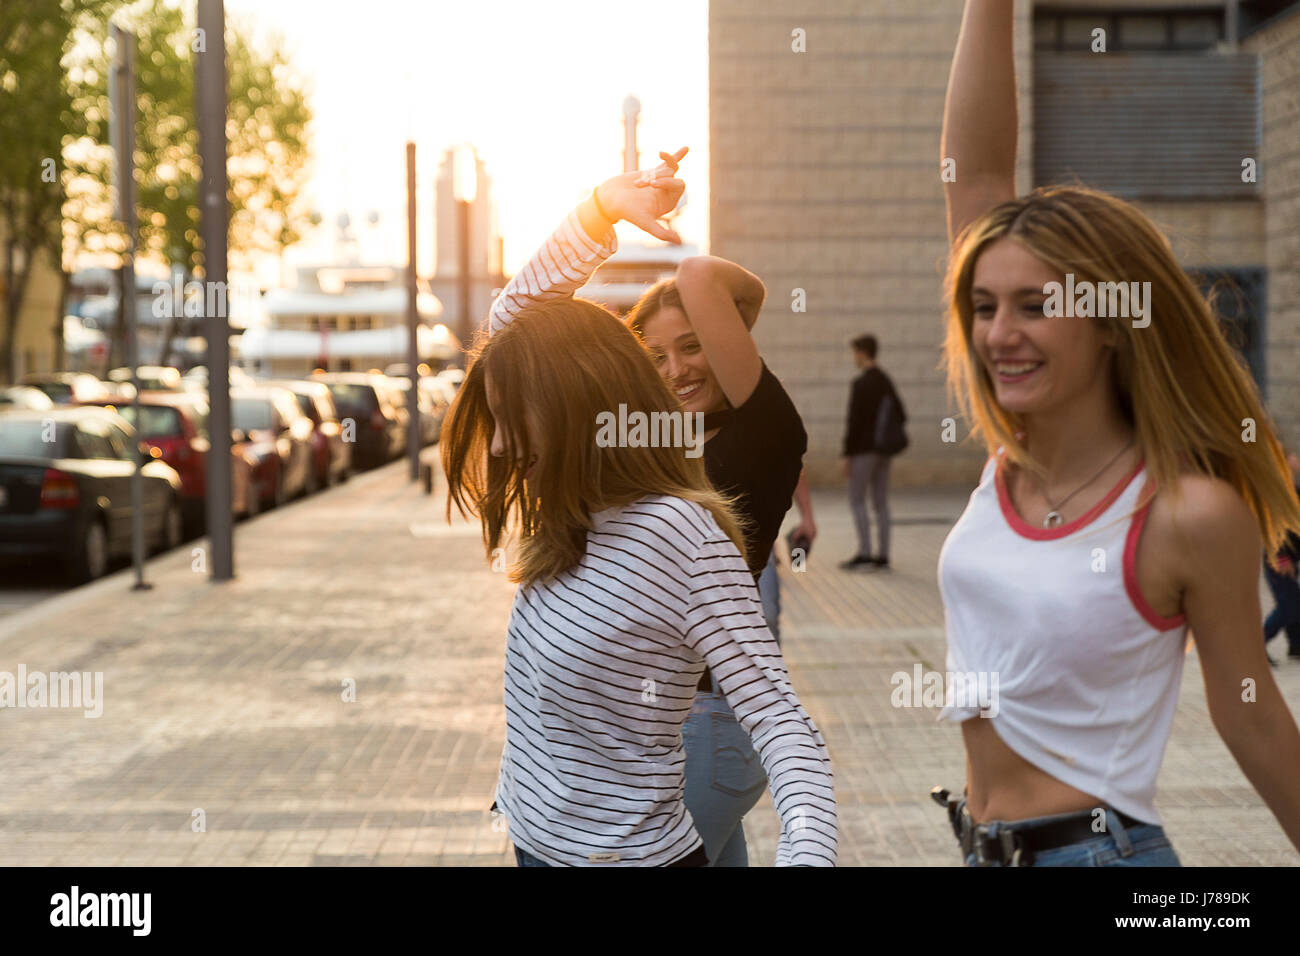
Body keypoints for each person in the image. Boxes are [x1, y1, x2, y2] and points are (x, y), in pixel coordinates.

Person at [933, 0, 1300, 867]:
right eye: (985, 308)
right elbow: (975, 177)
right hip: (986, 850)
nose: (997, 334)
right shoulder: (1010, 465)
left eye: (1035, 306)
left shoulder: (1186, 514)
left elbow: (1249, 709)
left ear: (1107, 321)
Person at [440, 152, 836, 867]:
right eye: (658, 355)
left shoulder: (680, 526)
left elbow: (782, 722)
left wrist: (808, 856)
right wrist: (600, 209)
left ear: (575, 406)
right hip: (541, 841)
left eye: (513, 420)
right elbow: (511, 332)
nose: (498, 446)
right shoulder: (573, 500)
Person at [840, 334, 904, 570]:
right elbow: (902, 414)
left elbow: (853, 422)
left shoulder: (861, 384)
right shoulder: (885, 380)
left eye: (855, 352)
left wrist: (846, 454)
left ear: (863, 352)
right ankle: (883, 556)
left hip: (862, 451)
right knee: (880, 502)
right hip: (884, 451)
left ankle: (865, 553)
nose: (854, 357)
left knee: (857, 499)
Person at [1263, 452, 1300, 664]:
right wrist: (1282, 557)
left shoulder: (1292, 489)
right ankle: (1258, 644)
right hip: (1277, 560)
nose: (1296, 460)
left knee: (1292, 601)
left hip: (1289, 558)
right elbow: (1271, 528)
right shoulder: (1277, 494)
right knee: (1289, 605)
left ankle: (1296, 645)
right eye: (1290, 458)